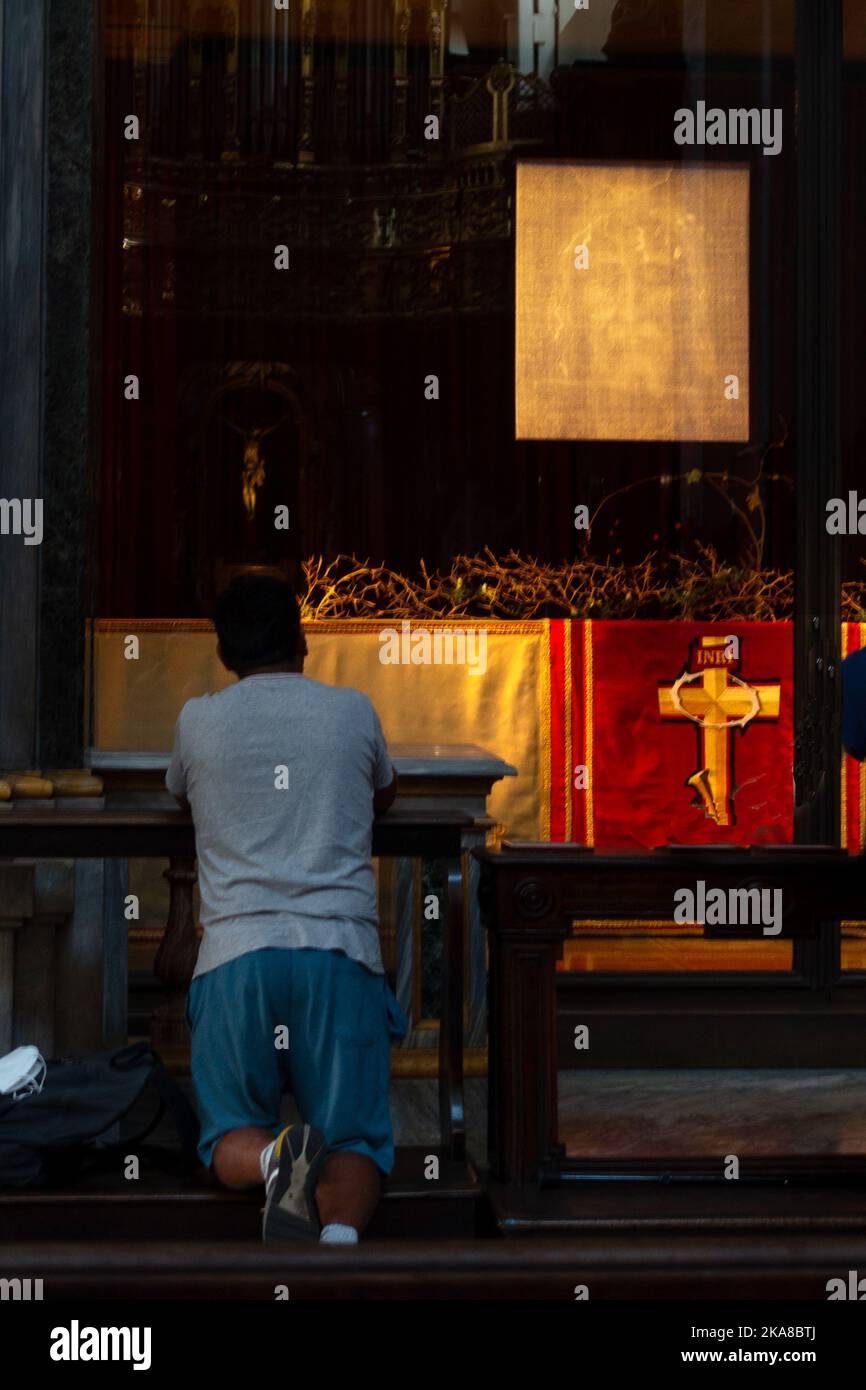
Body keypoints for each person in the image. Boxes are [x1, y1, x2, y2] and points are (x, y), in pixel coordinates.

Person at [166, 573, 408, 1245]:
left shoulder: (198, 720)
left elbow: (184, 798)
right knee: (354, 1135)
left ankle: (275, 1159)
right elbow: (382, 793)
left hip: (236, 956)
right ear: (303, 642)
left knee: (227, 1135)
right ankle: (337, 1247)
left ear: (224, 654)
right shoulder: (353, 711)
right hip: (337, 953)